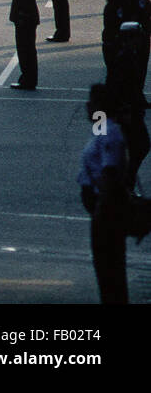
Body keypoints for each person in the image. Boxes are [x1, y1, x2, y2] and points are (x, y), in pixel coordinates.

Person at [79, 83, 129, 304]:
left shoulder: (108, 132)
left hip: (105, 209)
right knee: (106, 267)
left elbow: (109, 171)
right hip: (100, 207)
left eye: (91, 103)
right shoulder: (102, 130)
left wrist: (102, 207)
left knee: (109, 267)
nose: (87, 107)